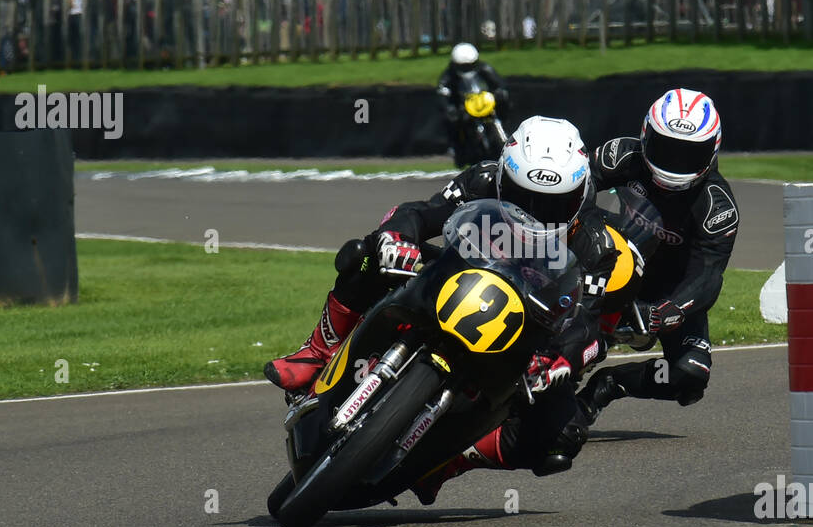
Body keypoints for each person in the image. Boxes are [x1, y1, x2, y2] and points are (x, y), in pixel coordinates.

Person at [264, 116, 618, 501]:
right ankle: (316, 353)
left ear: (582, 194)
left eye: (554, 204)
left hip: (522, 333)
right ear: (503, 179)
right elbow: (420, 213)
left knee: (561, 435)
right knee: (365, 255)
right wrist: (397, 239)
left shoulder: (597, 246)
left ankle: (442, 463)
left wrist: (560, 360)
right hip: (451, 280)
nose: (534, 213)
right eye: (523, 197)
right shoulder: (481, 179)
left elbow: (588, 323)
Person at [577, 88, 739, 420]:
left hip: (666, 293)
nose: (675, 163)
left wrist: (671, 308)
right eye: (667, 149)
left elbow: (708, 275)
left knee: (689, 376)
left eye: (688, 154)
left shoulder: (717, 207)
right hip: (607, 263)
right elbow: (575, 190)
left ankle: (609, 385)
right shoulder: (619, 155)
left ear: (712, 150)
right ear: (646, 135)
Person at [437, 42, 509, 164]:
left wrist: (500, 92)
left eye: (470, 65)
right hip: (463, 106)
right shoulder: (448, 74)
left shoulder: (484, 68)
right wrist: (449, 108)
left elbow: (499, 83)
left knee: (504, 109)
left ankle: (506, 141)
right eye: (463, 66)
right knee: (451, 122)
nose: (467, 69)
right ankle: (456, 149)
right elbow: (442, 91)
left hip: (484, 102)